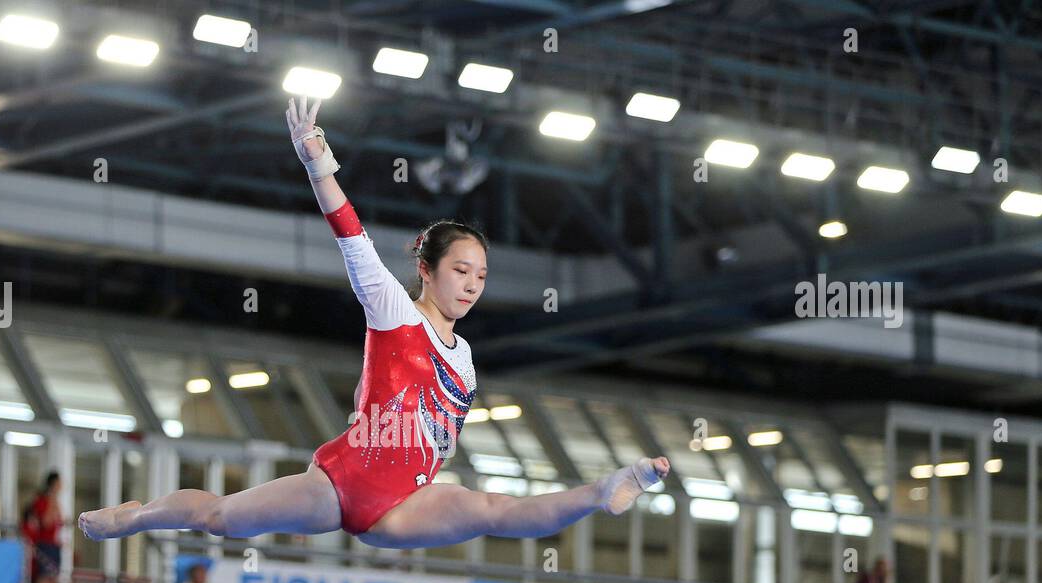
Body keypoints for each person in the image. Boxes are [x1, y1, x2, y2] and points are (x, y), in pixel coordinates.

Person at [78, 96, 670, 550]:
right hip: (339, 483)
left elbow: (437, 435)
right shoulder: (393, 310)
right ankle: (139, 515)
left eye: (481, 277)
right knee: (222, 518)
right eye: (461, 270)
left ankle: (600, 491)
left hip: (404, 501)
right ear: (427, 270)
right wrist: (318, 165)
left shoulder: (462, 357)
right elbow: (351, 236)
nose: (471, 284)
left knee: (495, 510)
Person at [22, 471, 64, 583]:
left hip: (54, 545)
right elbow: (46, 522)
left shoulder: (55, 502)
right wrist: (52, 502)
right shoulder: (43, 501)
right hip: (44, 545)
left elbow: (59, 523)